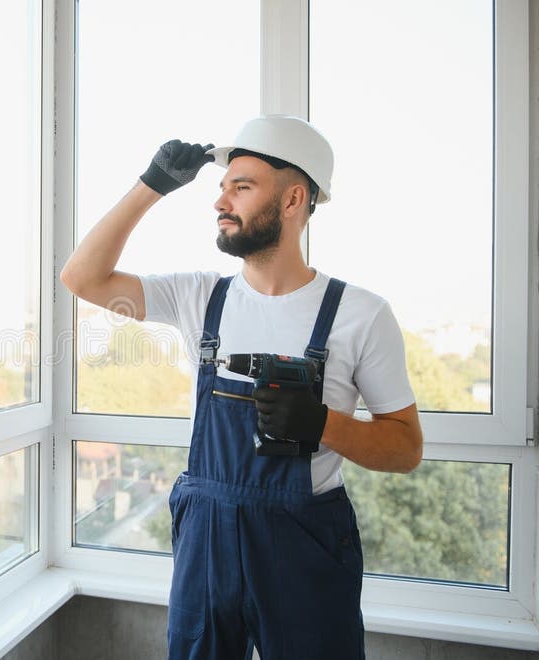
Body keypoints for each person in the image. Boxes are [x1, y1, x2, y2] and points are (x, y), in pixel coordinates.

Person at [59, 115, 423, 660]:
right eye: (222, 187)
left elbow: (405, 449)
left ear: (294, 199)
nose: (220, 201)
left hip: (305, 543)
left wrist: (322, 423)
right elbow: (82, 278)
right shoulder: (200, 297)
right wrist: (150, 186)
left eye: (242, 187)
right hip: (206, 537)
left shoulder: (360, 315)